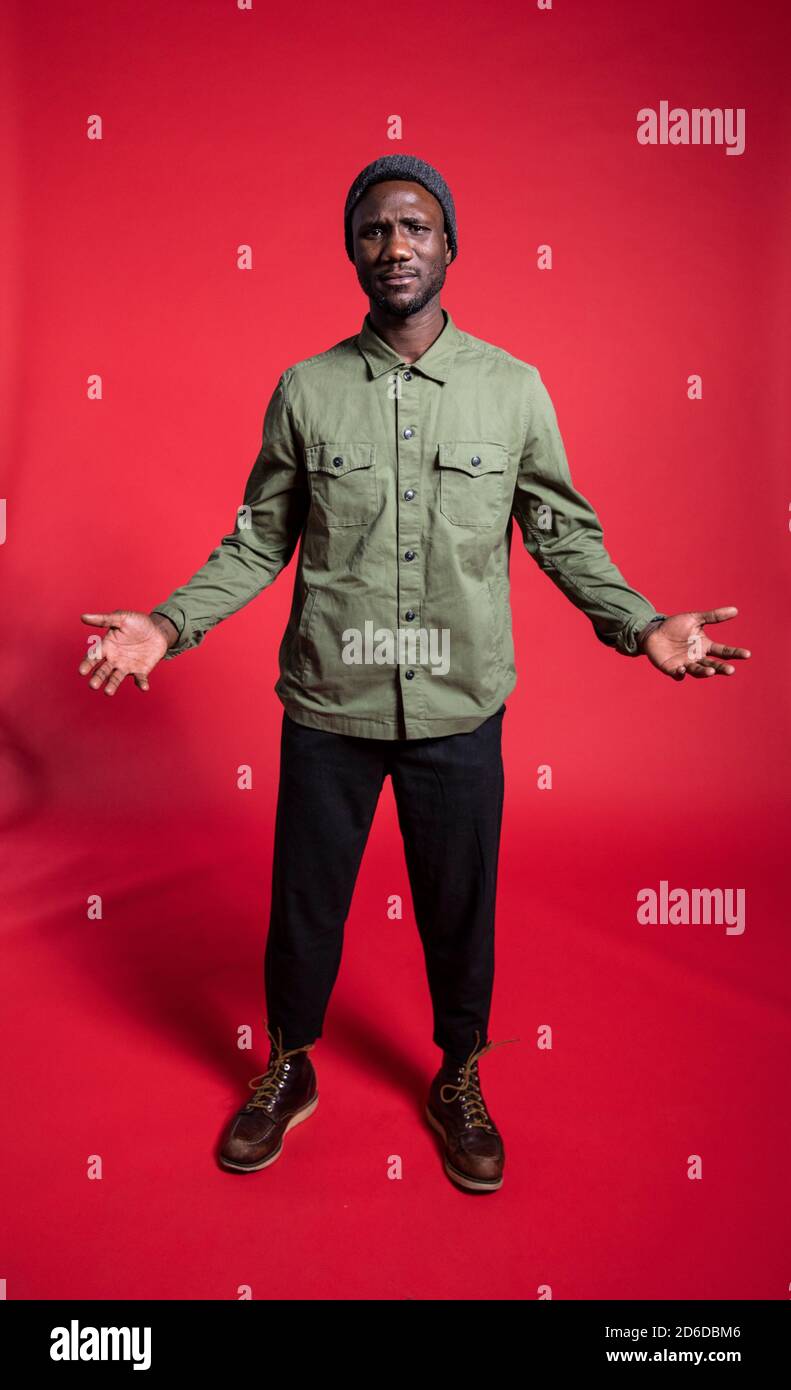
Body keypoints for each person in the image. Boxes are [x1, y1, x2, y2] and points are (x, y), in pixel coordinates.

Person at [77, 154, 751, 1194]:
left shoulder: (511, 388)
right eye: (375, 231)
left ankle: (458, 1076)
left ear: (448, 246)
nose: (395, 247)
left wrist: (640, 623)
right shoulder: (306, 390)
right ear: (351, 250)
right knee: (304, 905)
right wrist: (168, 626)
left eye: (415, 228)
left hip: (457, 707)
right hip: (328, 705)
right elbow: (260, 540)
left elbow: (561, 533)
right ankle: (289, 1065)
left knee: (457, 907)